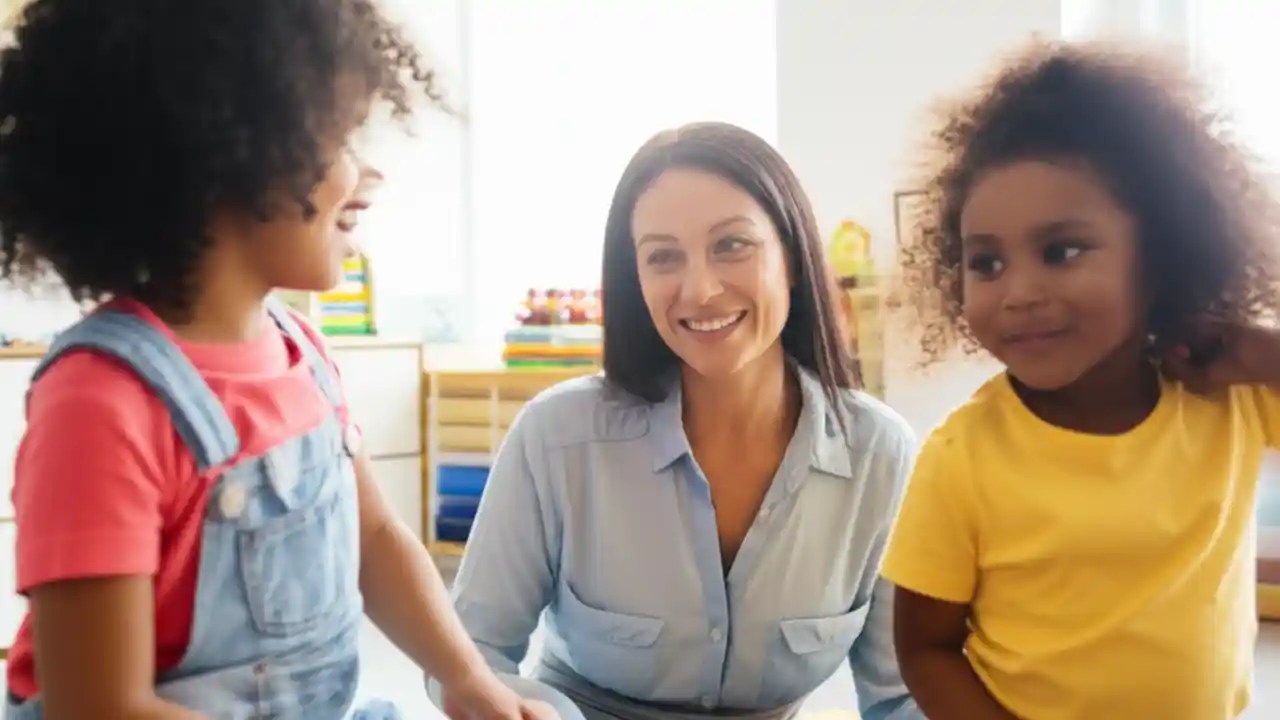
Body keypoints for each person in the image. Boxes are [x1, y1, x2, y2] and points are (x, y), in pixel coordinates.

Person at [0, 1, 554, 718]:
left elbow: (378, 541)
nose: (369, 176)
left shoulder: (304, 353)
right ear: (233, 151)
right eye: (345, 139)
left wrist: (471, 680)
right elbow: (99, 706)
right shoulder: (100, 400)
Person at [448, 122, 922, 720]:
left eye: (732, 245)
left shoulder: (881, 454)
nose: (699, 290)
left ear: (794, 259)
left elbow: (901, 696)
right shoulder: (558, 437)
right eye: (663, 257)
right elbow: (471, 654)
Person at [882, 40, 1280, 720]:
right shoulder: (962, 458)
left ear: (1158, 257)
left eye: (1060, 251)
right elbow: (924, 649)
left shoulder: (1231, 399)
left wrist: (1260, 352)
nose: (1019, 292)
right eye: (987, 263)